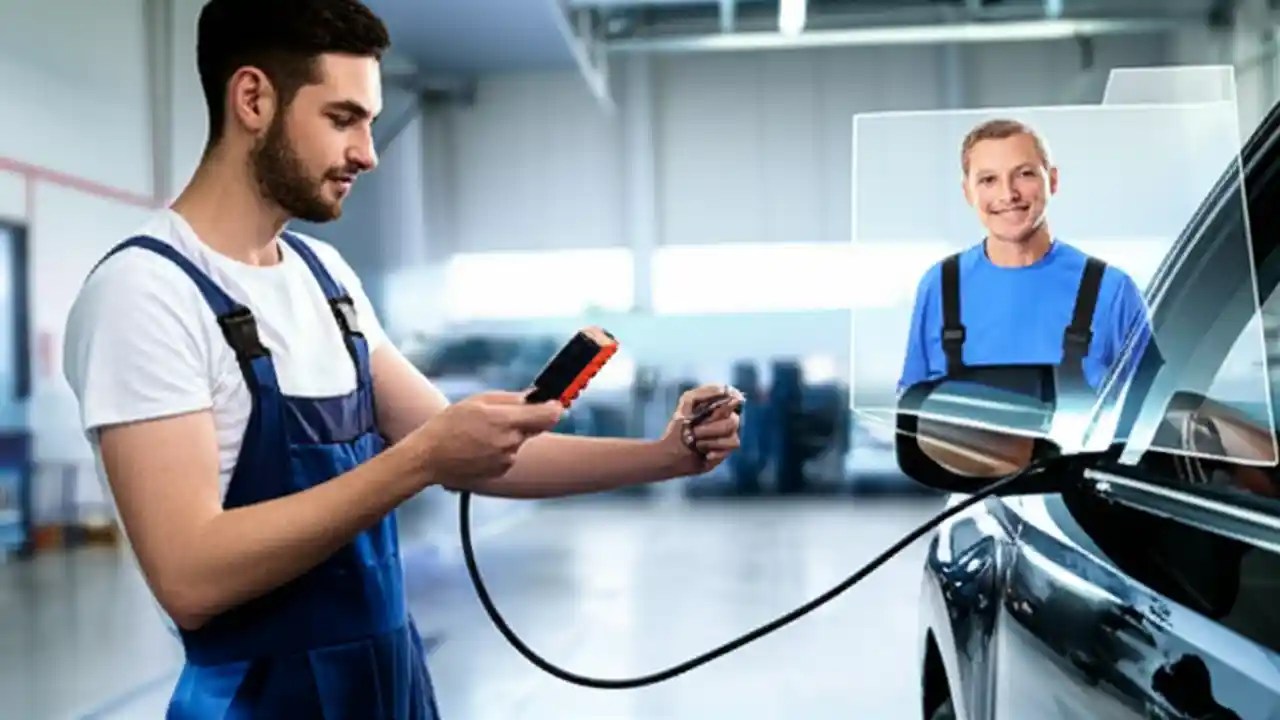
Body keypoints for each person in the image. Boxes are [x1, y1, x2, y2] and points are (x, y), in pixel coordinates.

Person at [60, 1, 742, 717]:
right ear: (253, 99)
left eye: (368, 122)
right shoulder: (147, 294)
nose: (368, 152)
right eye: (343, 118)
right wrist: (419, 461)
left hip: (390, 689)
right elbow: (190, 576)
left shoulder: (326, 281)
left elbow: (473, 449)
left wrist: (665, 457)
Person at [897, 118, 1155, 401]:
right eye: (988, 180)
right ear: (968, 192)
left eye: (1024, 174)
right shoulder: (941, 286)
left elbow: (1152, 409)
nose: (1008, 194)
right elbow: (911, 408)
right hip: (964, 448)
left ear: (1053, 180)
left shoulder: (1111, 290)